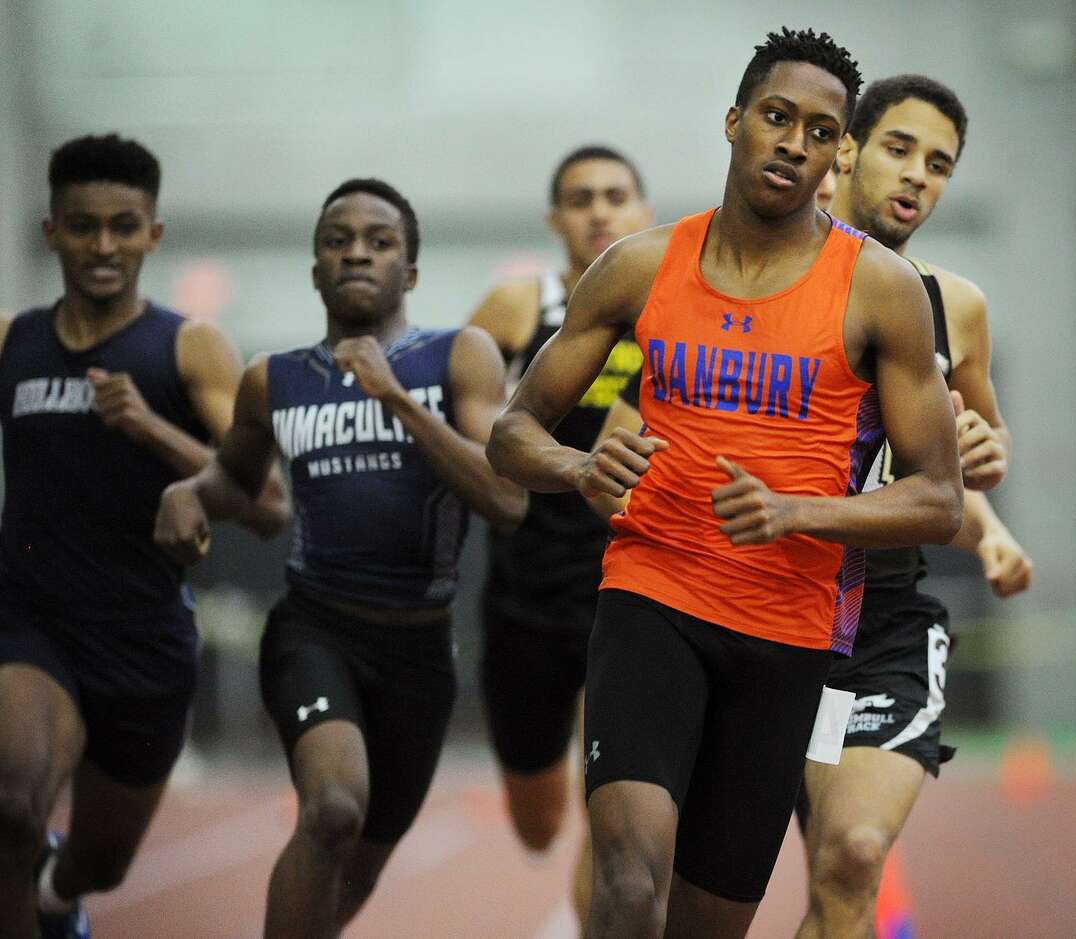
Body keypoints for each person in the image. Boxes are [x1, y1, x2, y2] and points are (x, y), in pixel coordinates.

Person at [487, 28, 964, 939]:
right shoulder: (638, 264)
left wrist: (799, 511)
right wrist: (579, 467)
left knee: (708, 922)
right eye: (777, 118)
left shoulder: (881, 289)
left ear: (838, 154)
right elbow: (512, 435)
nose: (794, 143)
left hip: (786, 630)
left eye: (820, 132)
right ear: (736, 120)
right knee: (629, 876)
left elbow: (938, 499)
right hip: (651, 595)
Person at [155, 177, 526, 939]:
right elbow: (237, 475)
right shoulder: (273, 378)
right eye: (338, 240)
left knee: (357, 865)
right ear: (315, 268)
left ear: (410, 273)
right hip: (315, 632)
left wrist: (395, 397)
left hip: (419, 650)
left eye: (379, 241)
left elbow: (506, 497)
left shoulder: (461, 355)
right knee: (331, 808)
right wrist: (190, 492)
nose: (357, 251)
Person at [0, 133, 289, 939]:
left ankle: (59, 899)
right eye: (83, 225)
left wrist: (150, 427)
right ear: (51, 231)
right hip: (29, 619)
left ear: (152, 234)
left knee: (101, 861)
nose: (103, 246)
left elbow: (267, 502)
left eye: (123, 226)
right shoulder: (13, 342)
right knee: (11, 806)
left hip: (140, 631)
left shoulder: (188, 345)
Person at [790, 76, 1034, 939]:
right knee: (693, 892)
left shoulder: (956, 307)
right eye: (899, 148)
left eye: (940, 165)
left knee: (851, 853)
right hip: (754, 616)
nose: (919, 177)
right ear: (846, 150)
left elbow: (973, 456)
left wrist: (988, 491)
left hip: (877, 623)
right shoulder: (763, 286)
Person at [467, 144, 650, 921]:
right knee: (540, 821)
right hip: (525, 597)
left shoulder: (669, 310)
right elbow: (468, 431)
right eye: (580, 198)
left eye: (615, 195)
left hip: (631, 588)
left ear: (642, 211)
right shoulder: (518, 307)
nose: (599, 211)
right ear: (555, 218)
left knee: (616, 819)